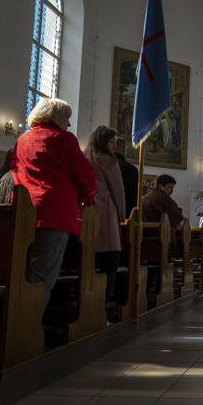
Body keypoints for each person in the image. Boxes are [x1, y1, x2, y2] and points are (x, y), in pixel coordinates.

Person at [12, 98, 96, 311]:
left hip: (23, 211)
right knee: (42, 275)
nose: (68, 124)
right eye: (66, 117)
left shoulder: (22, 139)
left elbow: (15, 171)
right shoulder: (62, 138)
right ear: (56, 117)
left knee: (21, 273)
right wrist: (89, 198)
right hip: (54, 214)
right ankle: (29, 330)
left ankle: (15, 325)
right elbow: (84, 174)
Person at [85, 126, 125, 302]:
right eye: (112, 141)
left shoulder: (87, 157)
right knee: (110, 263)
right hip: (106, 214)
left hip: (87, 211)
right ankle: (102, 305)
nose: (114, 146)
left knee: (88, 261)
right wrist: (122, 218)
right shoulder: (110, 161)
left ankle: (86, 302)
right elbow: (118, 191)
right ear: (103, 141)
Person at [114, 137, 139, 218]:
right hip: (125, 213)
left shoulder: (100, 164)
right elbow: (135, 196)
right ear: (124, 149)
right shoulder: (130, 169)